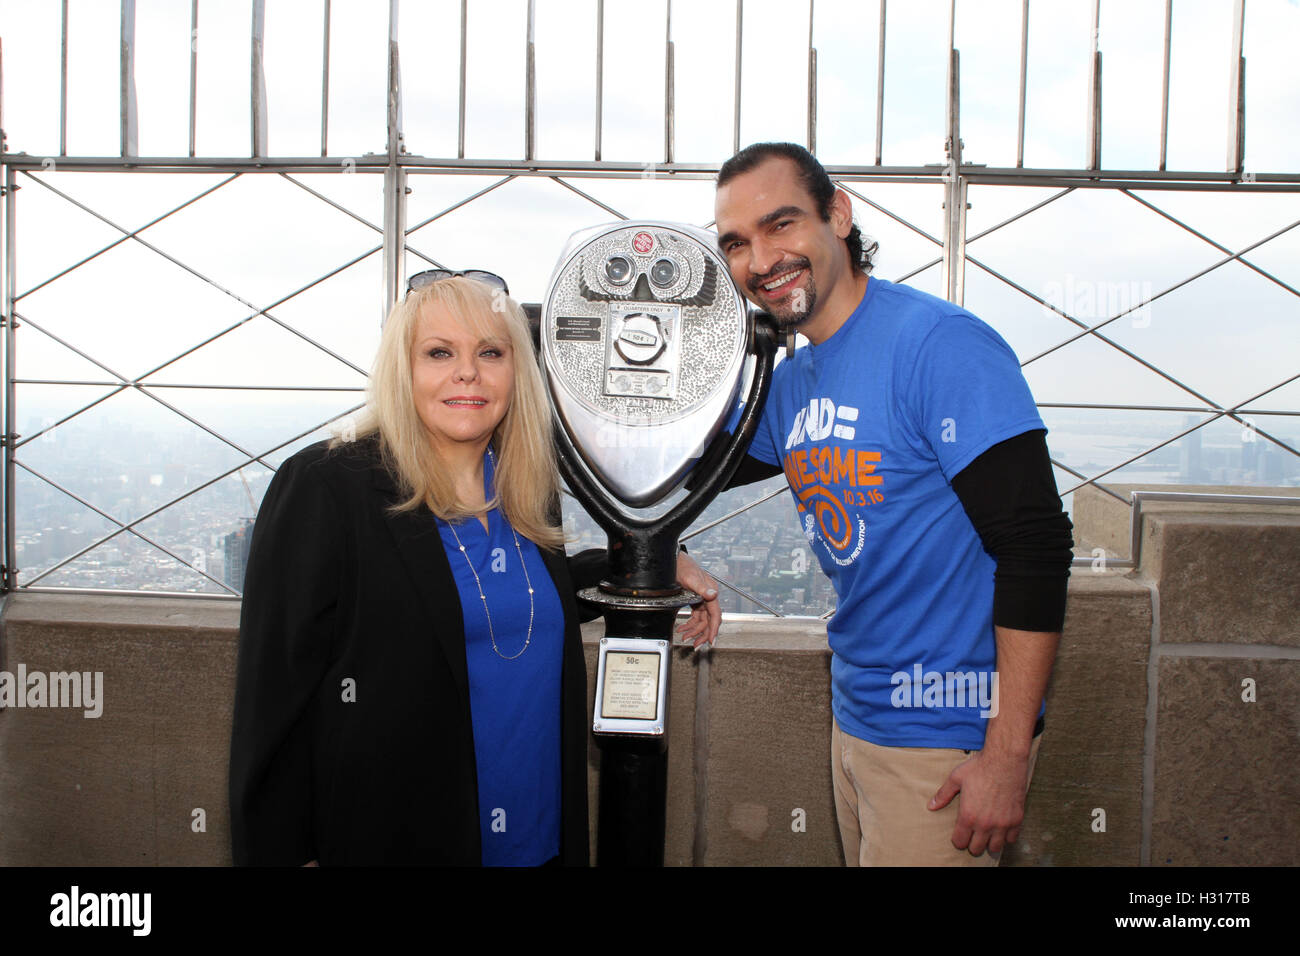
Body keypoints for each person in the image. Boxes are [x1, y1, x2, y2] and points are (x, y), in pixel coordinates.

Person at [229, 271, 719, 866]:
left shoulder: (525, 486)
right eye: (440, 353)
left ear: (519, 371)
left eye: (491, 352)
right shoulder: (329, 486)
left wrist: (654, 564)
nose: (468, 372)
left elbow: (503, 595)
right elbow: (274, 694)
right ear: (401, 369)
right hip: (397, 836)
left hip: (535, 830)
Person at [712, 143, 1074, 866]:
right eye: (736, 244)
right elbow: (681, 477)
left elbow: (1035, 543)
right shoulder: (793, 383)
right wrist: (669, 558)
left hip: (945, 742)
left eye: (781, 225)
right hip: (858, 723)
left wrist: (1006, 755)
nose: (760, 259)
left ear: (838, 215)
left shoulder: (937, 345)